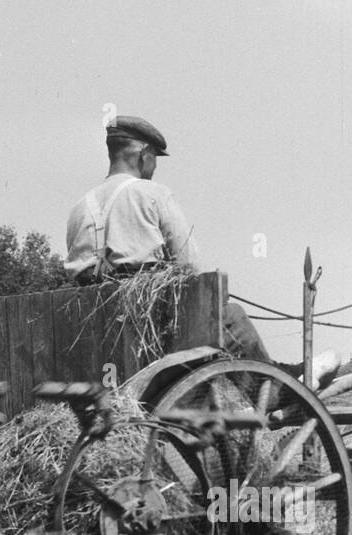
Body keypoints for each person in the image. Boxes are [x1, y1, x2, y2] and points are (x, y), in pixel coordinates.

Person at [64, 115, 272, 363]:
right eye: (155, 159)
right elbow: (191, 266)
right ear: (145, 153)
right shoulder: (153, 194)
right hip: (150, 321)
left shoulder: (79, 208)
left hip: (93, 326)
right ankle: (273, 391)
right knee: (233, 316)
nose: (155, 167)